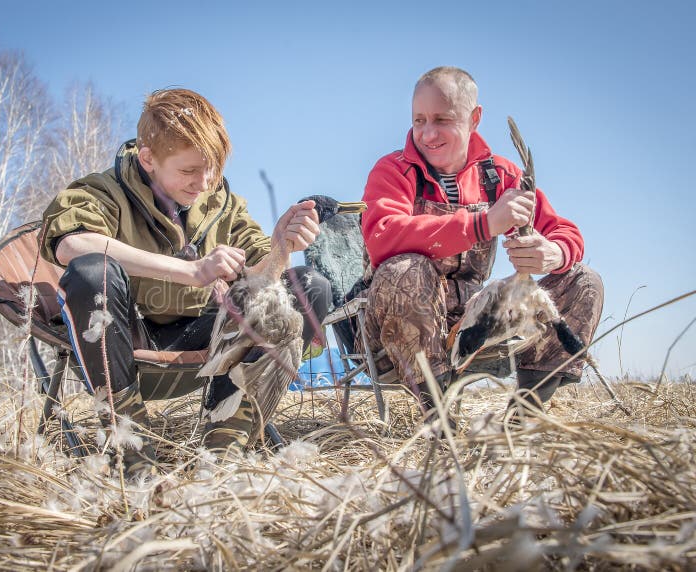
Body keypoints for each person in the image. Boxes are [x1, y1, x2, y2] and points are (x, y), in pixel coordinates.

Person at [40, 88, 329, 473]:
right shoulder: (101, 191)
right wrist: (191, 272)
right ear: (148, 159)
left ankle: (224, 446)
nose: (204, 182)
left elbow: (263, 281)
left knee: (308, 286)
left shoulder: (223, 204)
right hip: (124, 345)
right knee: (92, 270)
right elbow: (72, 244)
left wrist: (281, 247)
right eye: (189, 170)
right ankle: (131, 444)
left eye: (213, 168)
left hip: (209, 346)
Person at [361, 66, 604, 420]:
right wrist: (483, 223)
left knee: (583, 279)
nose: (428, 134)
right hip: (394, 334)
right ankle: (439, 421)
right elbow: (383, 237)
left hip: (473, 325)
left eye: (442, 119)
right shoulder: (393, 171)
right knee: (405, 269)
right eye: (419, 120)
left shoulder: (501, 177)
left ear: (474, 118)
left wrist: (553, 253)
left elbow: (564, 232)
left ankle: (525, 415)